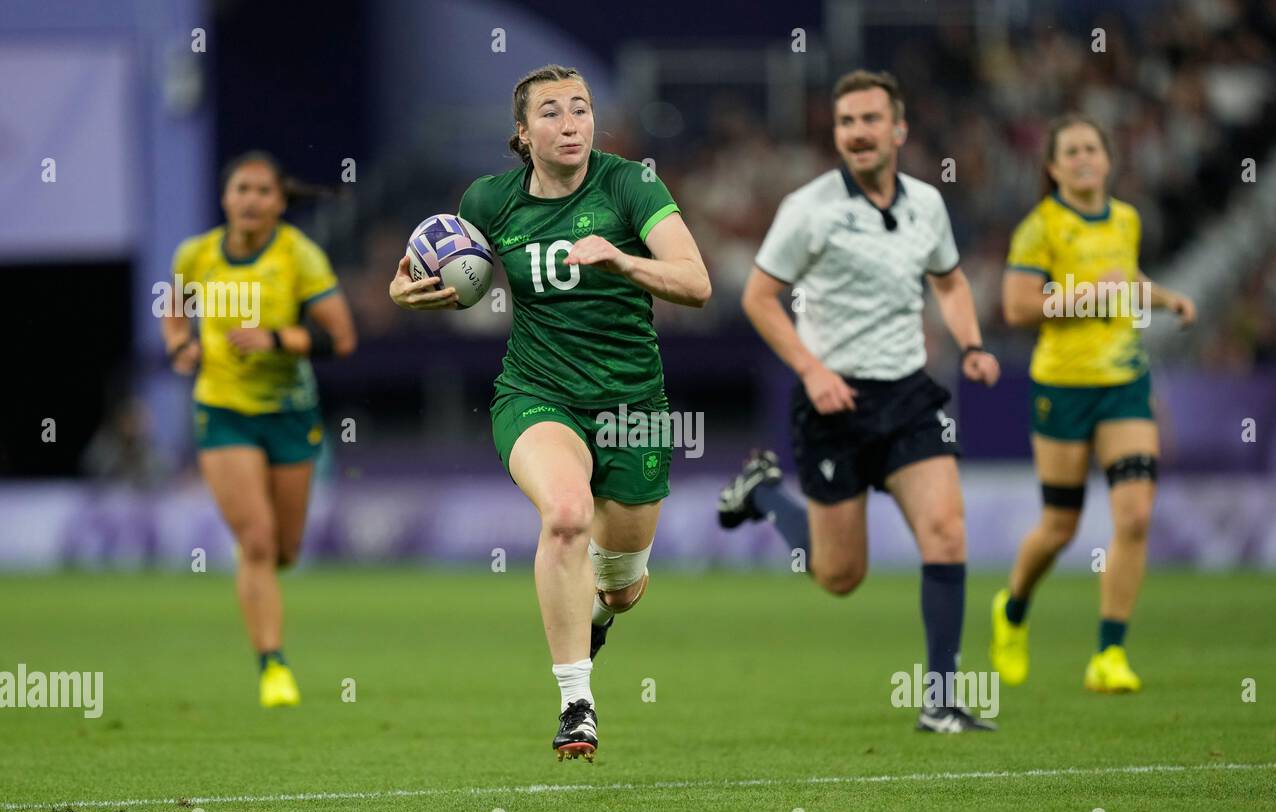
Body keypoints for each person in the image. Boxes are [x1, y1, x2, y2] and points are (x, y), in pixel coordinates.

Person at [388, 65, 710, 760]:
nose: (571, 125)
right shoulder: (491, 199)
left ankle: (594, 613)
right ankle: (577, 704)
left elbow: (696, 282)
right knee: (565, 513)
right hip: (537, 394)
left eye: (581, 110)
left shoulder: (630, 184)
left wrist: (623, 263)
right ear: (523, 133)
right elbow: (428, 257)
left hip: (634, 409)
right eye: (553, 113)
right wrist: (402, 285)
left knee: (622, 591)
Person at [717, 70, 1000, 732]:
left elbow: (952, 281)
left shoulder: (927, 204)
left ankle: (942, 700)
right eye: (846, 122)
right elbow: (758, 298)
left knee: (946, 532)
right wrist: (811, 370)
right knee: (841, 576)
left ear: (898, 130)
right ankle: (763, 493)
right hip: (831, 404)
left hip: (907, 395)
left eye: (871, 119)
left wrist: (973, 343)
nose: (858, 133)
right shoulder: (808, 208)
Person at [991, 114, 1196, 692]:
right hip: (1062, 387)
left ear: (1108, 160)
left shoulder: (1126, 219)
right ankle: (1012, 609)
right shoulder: (1040, 227)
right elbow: (1017, 308)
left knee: (1134, 515)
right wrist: (1085, 297)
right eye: (1070, 151)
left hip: (1125, 384)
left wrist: (1167, 298)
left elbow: (1125, 281)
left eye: (1092, 148)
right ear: (1053, 167)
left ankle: (1109, 655)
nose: (1083, 157)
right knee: (1059, 526)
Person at [163, 151, 356, 707]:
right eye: (240, 189)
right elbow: (173, 309)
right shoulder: (195, 255)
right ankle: (273, 665)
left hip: (290, 413)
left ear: (279, 202)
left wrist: (277, 339)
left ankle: (271, 639)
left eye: (262, 191)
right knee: (256, 542)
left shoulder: (300, 255)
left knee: (286, 551)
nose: (250, 199)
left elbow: (340, 339)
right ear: (225, 198)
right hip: (223, 411)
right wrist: (180, 345)